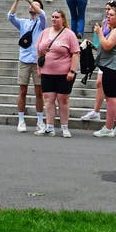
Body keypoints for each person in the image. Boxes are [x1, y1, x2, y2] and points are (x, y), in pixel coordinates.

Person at [35, 9, 80, 137]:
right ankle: (49, 126)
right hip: (47, 72)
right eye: (53, 17)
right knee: (48, 99)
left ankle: (64, 127)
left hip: (64, 73)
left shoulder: (69, 34)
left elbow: (75, 53)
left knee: (63, 99)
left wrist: (72, 70)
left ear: (63, 19)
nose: (54, 19)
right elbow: (39, 51)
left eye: (57, 17)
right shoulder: (44, 33)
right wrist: (39, 68)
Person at [7, 0, 46, 134]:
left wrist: (30, 0)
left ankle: (40, 120)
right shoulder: (23, 23)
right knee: (22, 90)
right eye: (31, 5)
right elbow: (10, 16)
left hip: (37, 61)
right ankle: (21, 120)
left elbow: (42, 15)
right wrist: (18, 0)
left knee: (39, 92)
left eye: (35, 6)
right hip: (24, 60)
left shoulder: (42, 23)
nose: (32, 7)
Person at [92, 4, 116, 137]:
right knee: (111, 96)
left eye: (112, 15)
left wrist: (99, 33)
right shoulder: (113, 30)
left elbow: (108, 46)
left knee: (111, 97)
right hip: (111, 66)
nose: (108, 17)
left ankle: (108, 128)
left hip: (115, 67)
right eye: (107, 15)